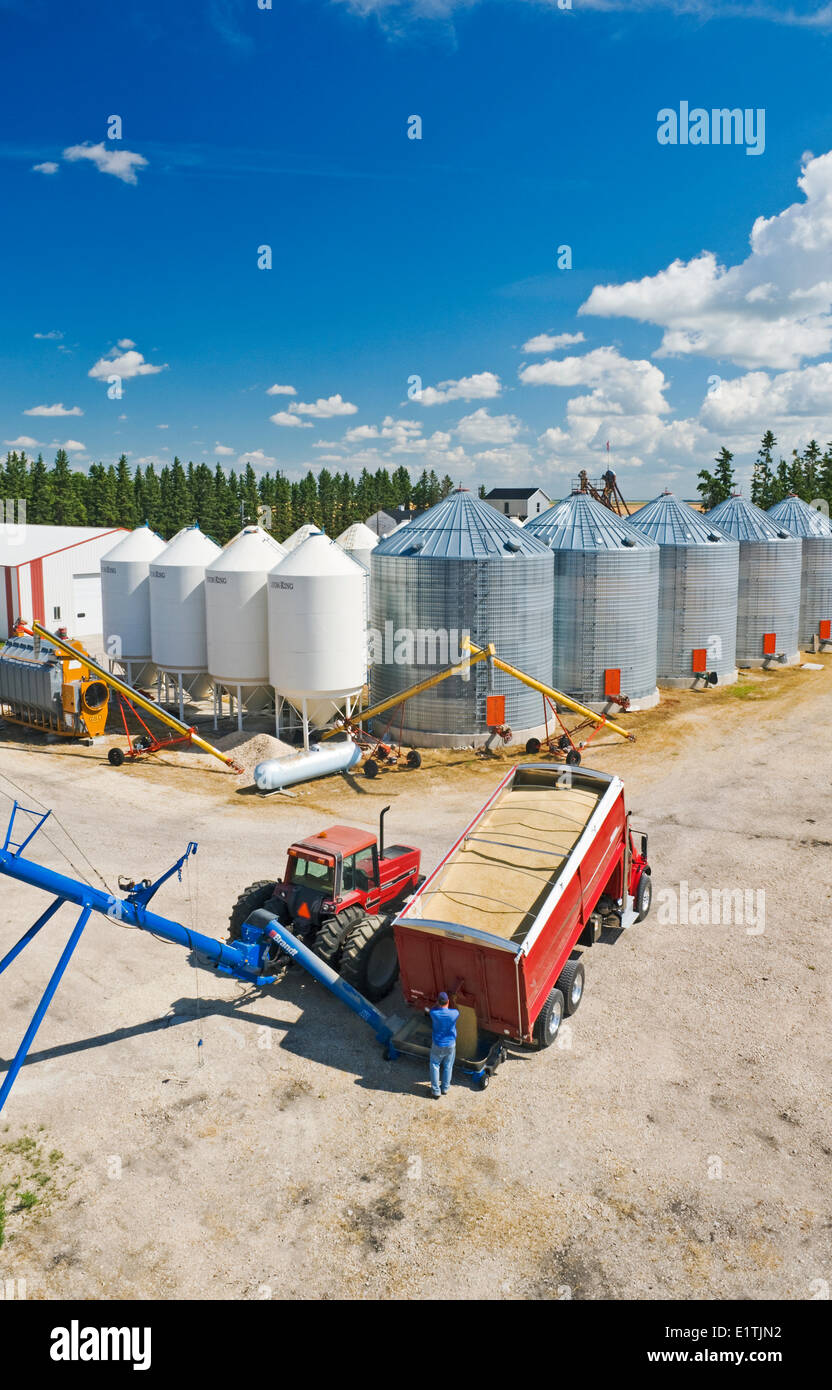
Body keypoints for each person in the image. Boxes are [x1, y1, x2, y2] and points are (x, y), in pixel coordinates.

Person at [428, 991, 459, 1098]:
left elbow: (432, 1008)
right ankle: (445, 1088)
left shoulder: (434, 1013)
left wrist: (437, 1004)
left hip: (437, 1044)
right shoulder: (455, 1014)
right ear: (448, 1001)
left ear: (438, 1002)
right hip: (451, 1045)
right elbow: (455, 1009)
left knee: (435, 1065)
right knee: (448, 1066)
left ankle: (436, 1091)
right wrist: (453, 1001)